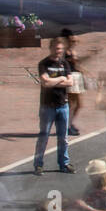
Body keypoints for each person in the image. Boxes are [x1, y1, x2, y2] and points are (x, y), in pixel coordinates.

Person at [34, 37, 75, 176]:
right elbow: (45, 83)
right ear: (51, 48)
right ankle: (38, 164)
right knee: (44, 136)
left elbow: (70, 83)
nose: (58, 52)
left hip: (63, 105)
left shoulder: (65, 64)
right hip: (47, 106)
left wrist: (55, 81)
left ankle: (64, 163)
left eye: (61, 49)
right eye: (56, 49)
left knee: (63, 137)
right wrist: (61, 79)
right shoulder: (44, 64)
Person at [59, 28, 88, 136]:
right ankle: (67, 125)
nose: (75, 43)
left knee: (77, 104)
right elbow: (76, 64)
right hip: (71, 78)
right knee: (73, 104)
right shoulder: (67, 53)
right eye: (73, 41)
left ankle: (69, 124)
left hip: (76, 77)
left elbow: (77, 65)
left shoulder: (71, 52)